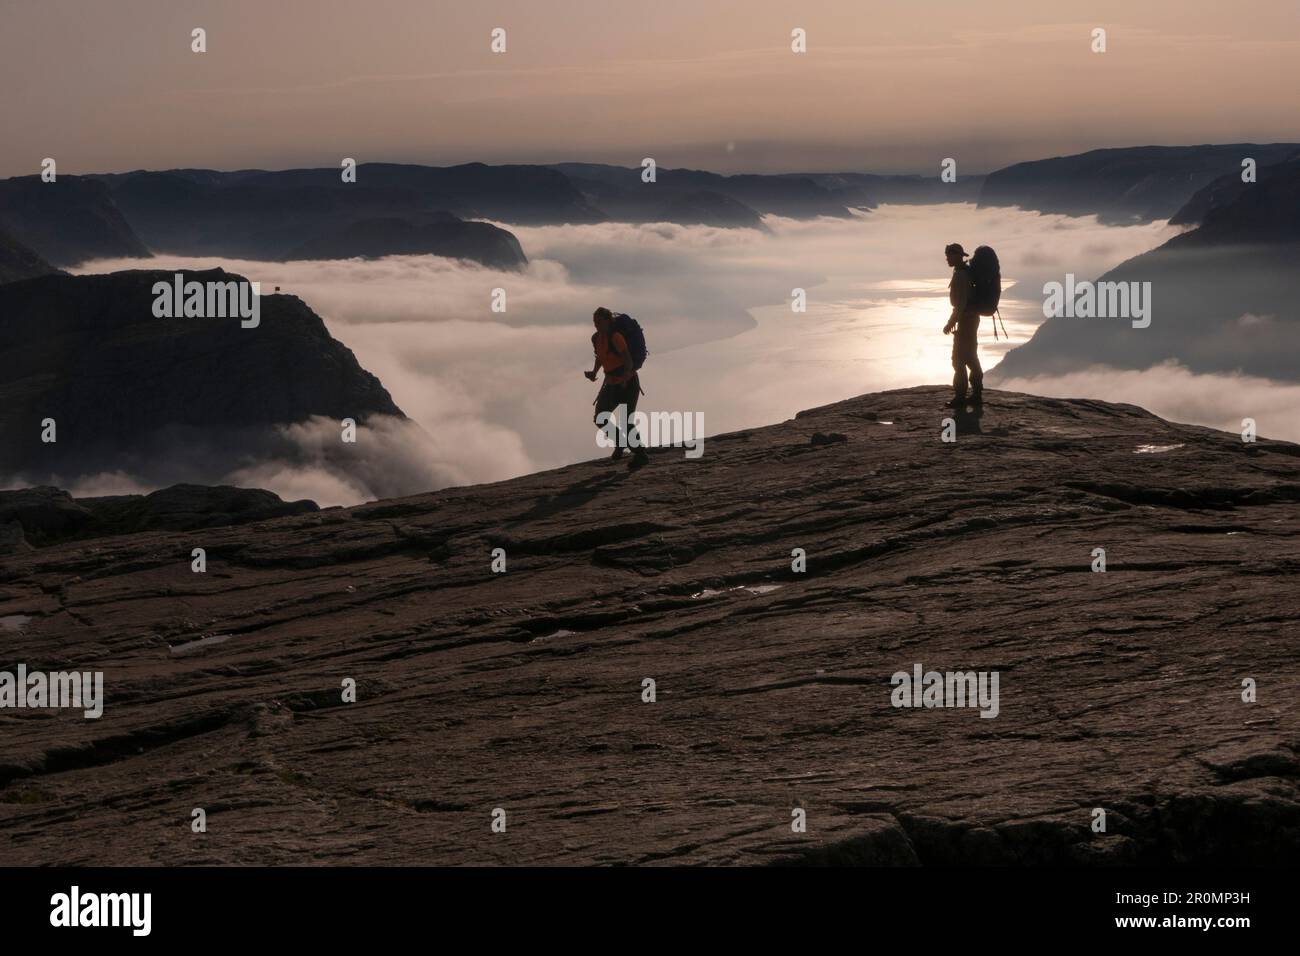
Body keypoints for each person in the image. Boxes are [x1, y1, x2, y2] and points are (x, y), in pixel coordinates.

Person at [585, 307, 649, 468]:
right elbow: (600, 357)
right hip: (612, 382)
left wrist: (626, 378)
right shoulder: (596, 338)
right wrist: (594, 372)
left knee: (626, 422)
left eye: (599, 321)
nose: (596, 325)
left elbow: (627, 361)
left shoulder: (616, 337)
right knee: (600, 417)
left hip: (627, 383)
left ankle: (641, 455)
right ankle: (620, 443)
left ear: (608, 320)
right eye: (594, 322)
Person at [942, 243, 982, 407]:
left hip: (965, 320)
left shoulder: (960, 276)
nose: (947, 259)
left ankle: (960, 397)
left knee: (958, 359)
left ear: (957, 256)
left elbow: (960, 304)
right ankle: (977, 393)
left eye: (949, 255)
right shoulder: (963, 272)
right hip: (971, 320)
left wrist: (950, 323)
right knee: (970, 356)